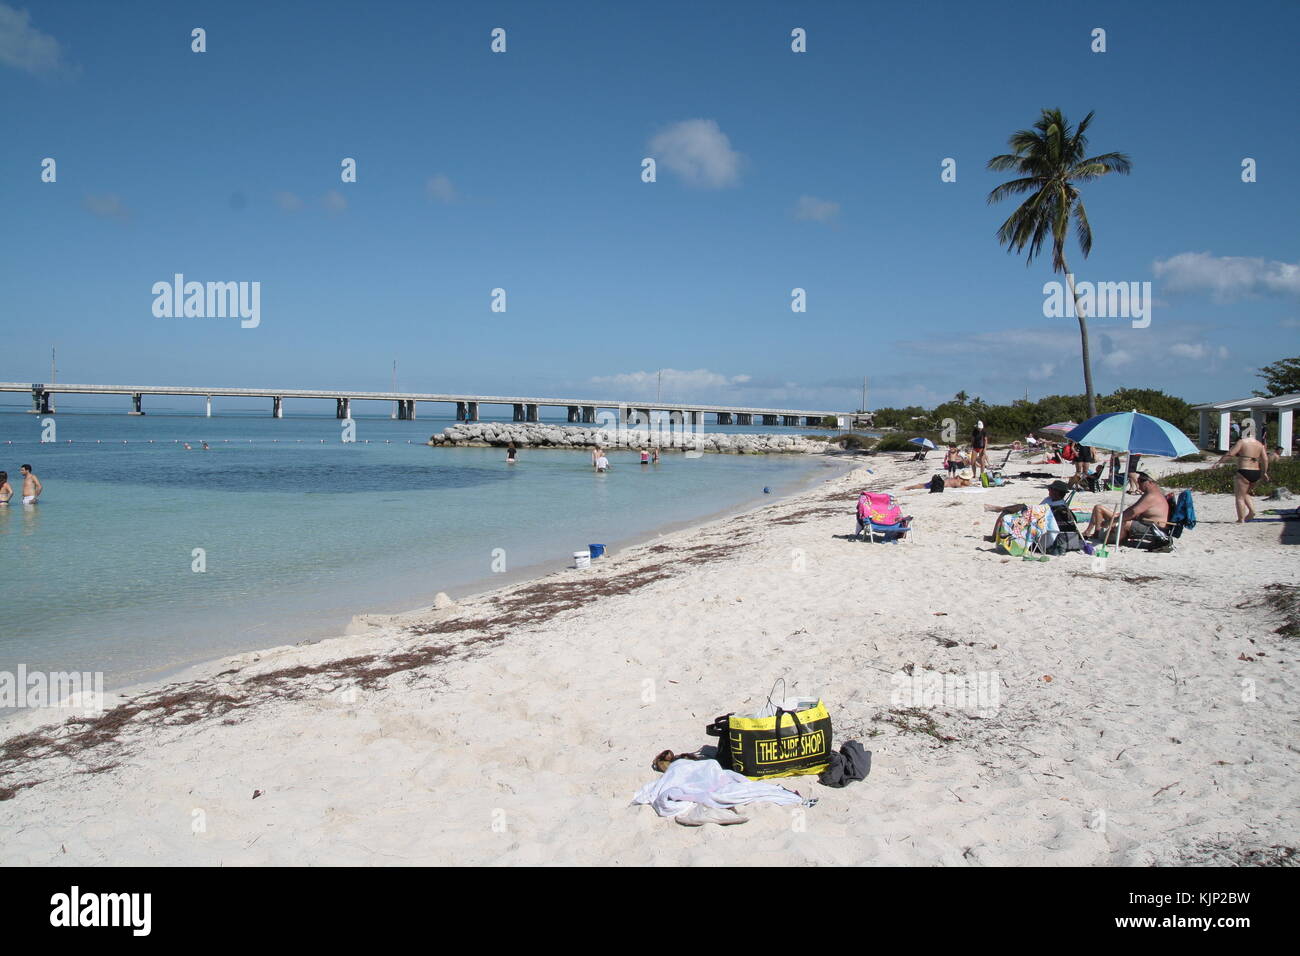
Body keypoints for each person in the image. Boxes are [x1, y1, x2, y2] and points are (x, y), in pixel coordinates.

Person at [1082, 472, 1169, 544]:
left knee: (1124, 522)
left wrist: (1112, 521)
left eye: (1141, 481)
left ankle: (1116, 541)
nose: (1139, 484)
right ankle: (1094, 533)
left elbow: (1133, 513)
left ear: (1151, 482)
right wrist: (1117, 517)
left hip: (1153, 528)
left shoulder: (1152, 496)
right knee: (1098, 508)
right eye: (1138, 481)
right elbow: (1132, 510)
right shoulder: (1148, 494)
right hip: (1142, 522)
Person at [1217, 433, 1269, 522]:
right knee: (1246, 493)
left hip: (1244, 470)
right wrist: (1264, 472)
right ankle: (1252, 512)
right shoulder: (1259, 444)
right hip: (1256, 472)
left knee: (1239, 496)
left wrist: (1219, 462)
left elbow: (1231, 453)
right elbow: (1265, 459)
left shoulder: (1242, 442)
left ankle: (1241, 519)